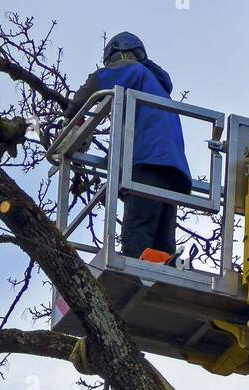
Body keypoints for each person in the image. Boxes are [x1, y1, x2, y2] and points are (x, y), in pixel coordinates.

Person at [65, 32, 192, 260]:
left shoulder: (134, 71)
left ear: (122, 54)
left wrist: (72, 116)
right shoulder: (157, 88)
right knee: (162, 242)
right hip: (173, 170)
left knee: (138, 236)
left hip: (148, 162)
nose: (115, 66)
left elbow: (97, 82)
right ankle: (160, 277)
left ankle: (134, 273)